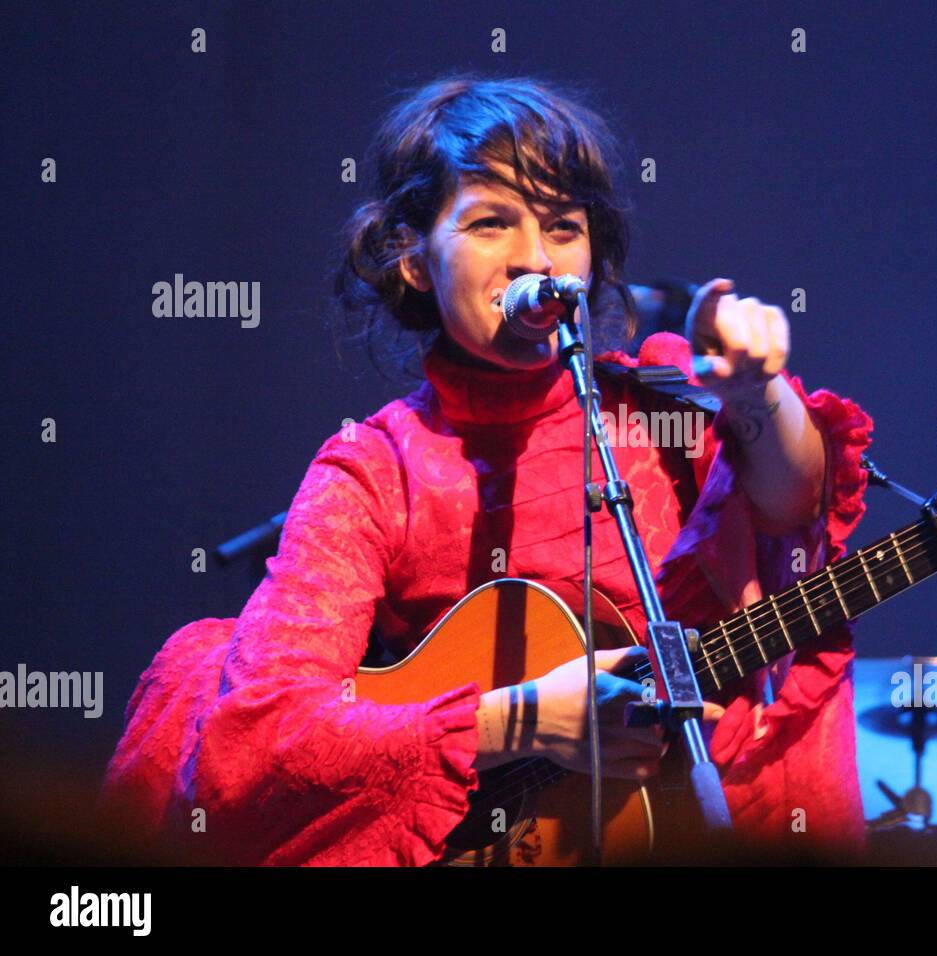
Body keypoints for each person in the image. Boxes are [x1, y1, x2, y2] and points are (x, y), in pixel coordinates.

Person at [100, 74, 874, 865]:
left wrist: (755, 389)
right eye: (490, 223)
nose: (534, 259)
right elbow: (260, 740)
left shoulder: (650, 405)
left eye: (564, 227)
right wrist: (523, 722)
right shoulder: (375, 470)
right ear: (411, 258)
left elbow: (791, 503)